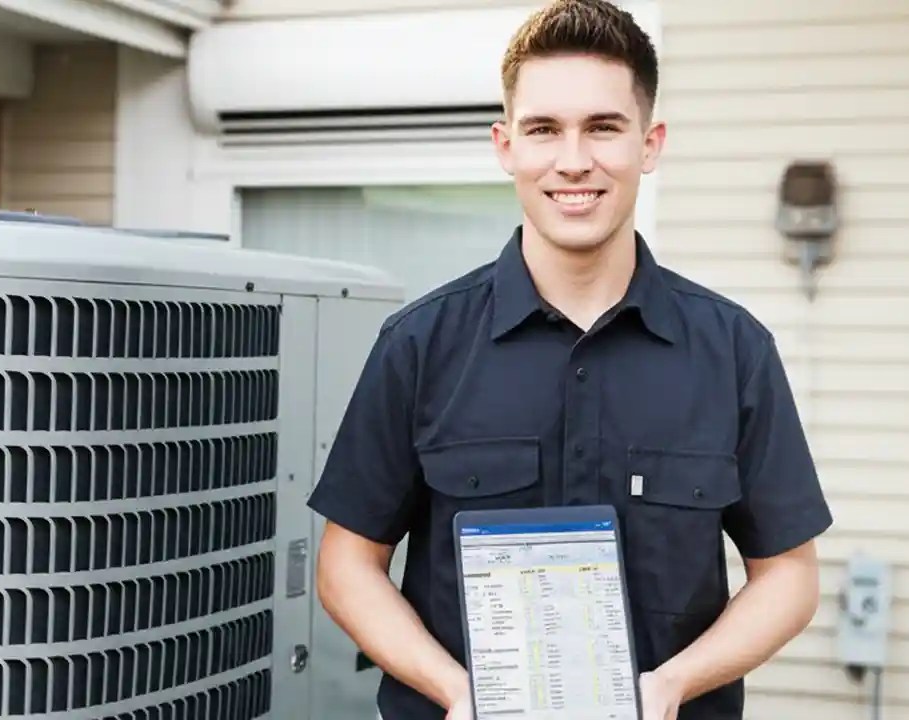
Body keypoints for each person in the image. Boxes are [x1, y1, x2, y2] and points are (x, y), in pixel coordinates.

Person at [306, 1, 833, 718]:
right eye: (544, 129)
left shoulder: (735, 350)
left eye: (604, 127)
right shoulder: (419, 346)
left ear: (650, 144)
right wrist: (456, 691)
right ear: (505, 145)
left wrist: (672, 685)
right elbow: (346, 564)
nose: (574, 160)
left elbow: (790, 577)